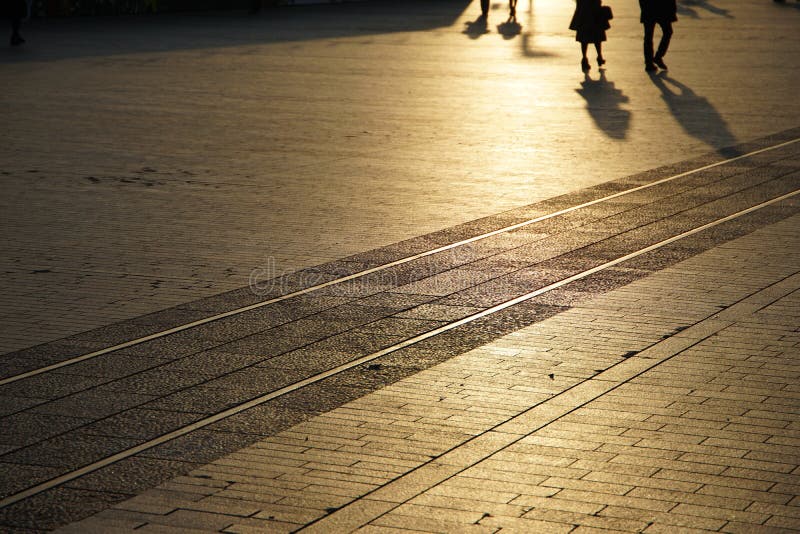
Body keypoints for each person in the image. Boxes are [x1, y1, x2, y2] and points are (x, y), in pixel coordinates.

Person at [569, 0, 609, 72]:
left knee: (584, 39)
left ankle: (585, 58)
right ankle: (599, 57)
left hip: (583, 14)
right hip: (594, 14)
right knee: (597, 37)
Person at [639, 0, 677, 72]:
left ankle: (649, 63)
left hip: (649, 9)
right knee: (667, 32)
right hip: (662, 9)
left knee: (648, 36)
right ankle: (657, 57)